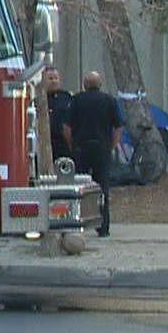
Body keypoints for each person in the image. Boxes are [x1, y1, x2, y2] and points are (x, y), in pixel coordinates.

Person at [67, 71, 122, 236]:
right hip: (102, 148)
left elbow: (67, 128)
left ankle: (78, 223)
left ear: (84, 85)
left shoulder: (76, 101)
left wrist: (72, 146)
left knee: (79, 187)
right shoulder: (109, 101)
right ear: (100, 84)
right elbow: (118, 127)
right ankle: (103, 227)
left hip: (81, 148)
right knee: (102, 187)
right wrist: (111, 146)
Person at [44, 69, 74, 165]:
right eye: (50, 78)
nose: (54, 81)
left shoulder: (66, 97)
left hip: (63, 143)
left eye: (56, 78)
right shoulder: (38, 98)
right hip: (45, 143)